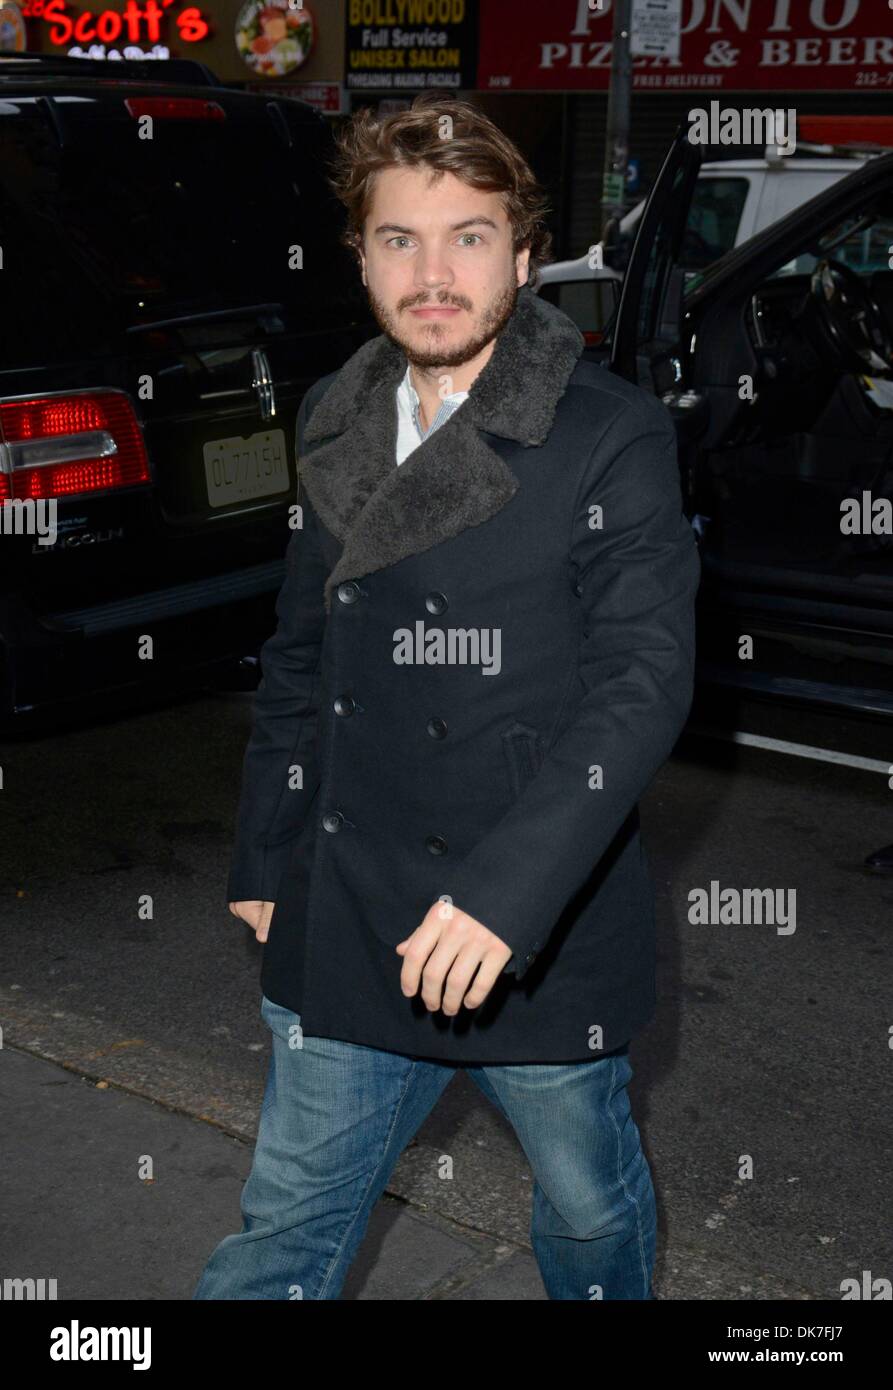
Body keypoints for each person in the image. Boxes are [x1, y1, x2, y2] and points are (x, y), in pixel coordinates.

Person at [193, 93, 701, 1301]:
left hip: (529, 924)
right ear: (361, 258)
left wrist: (501, 899)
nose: (433, 272)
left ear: (522, 258)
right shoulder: (335, 412)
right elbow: (301, 651)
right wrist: (266, 855)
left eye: (467, 237)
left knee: (584, 1209)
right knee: (283, 1232)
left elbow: (641, 683)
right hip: (349, 906)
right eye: (398, 239)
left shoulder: (606, 435)